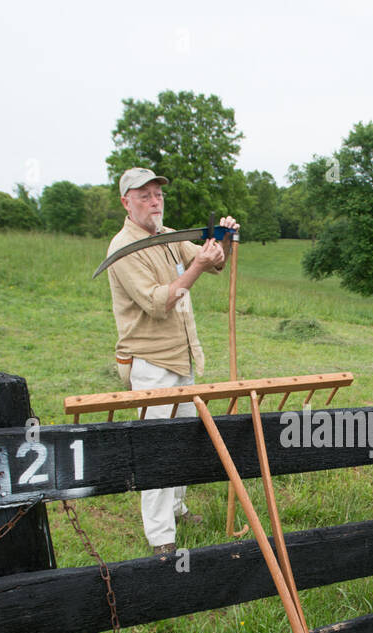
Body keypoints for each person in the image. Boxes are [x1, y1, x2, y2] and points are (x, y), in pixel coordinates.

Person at [104, 167, 238, 555]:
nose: (154, 201)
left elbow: (211, 262)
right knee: (157, 449)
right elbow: (158, 303)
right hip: (150, 362)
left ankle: (177, 508)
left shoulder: (168, 236)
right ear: (126, 202)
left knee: (181, 442)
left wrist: (223, 242)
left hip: (182, 357)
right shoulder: (122, 249)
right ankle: (161, 537)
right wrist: (198, 266)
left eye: (157, 194)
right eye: (143, 195)